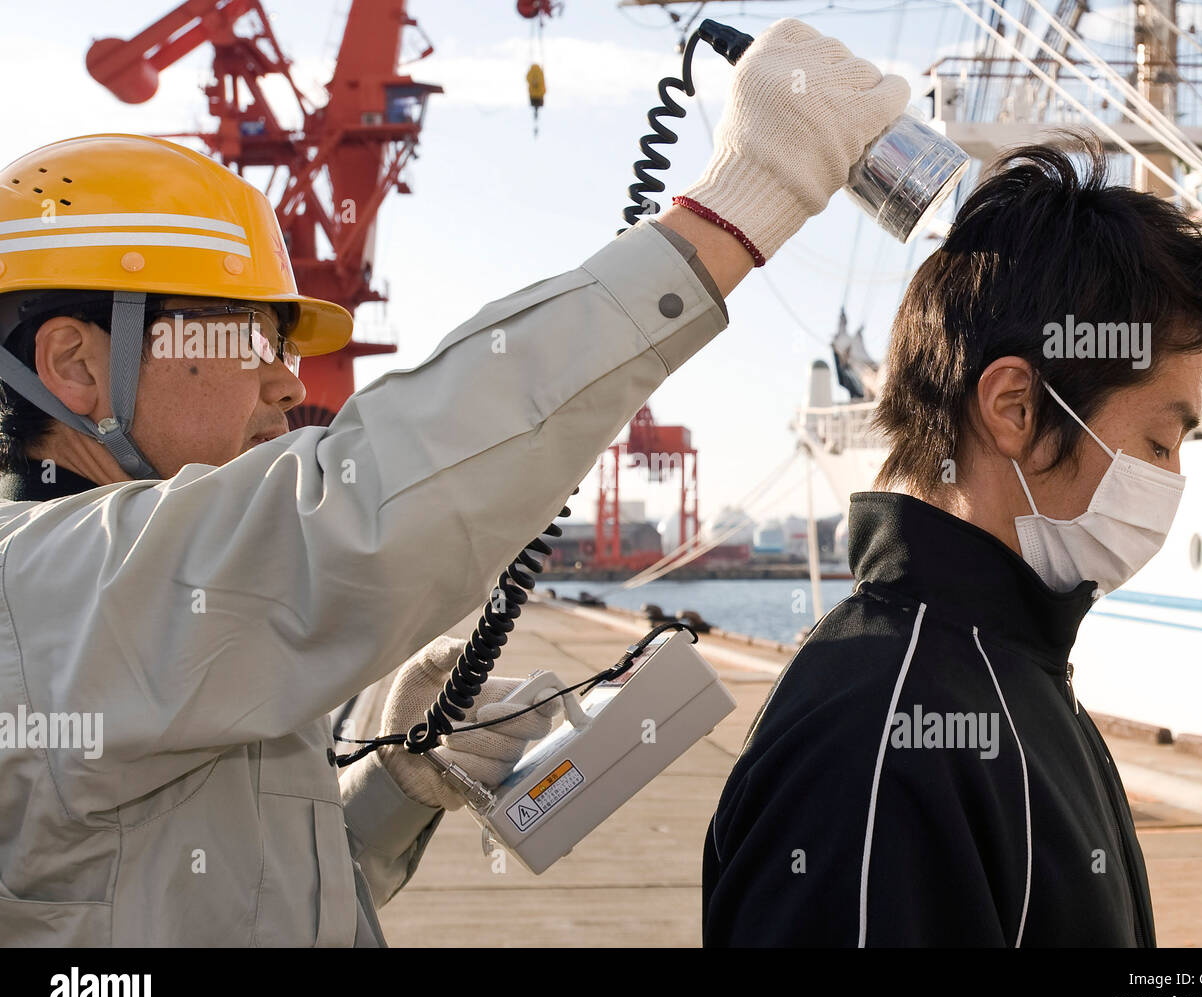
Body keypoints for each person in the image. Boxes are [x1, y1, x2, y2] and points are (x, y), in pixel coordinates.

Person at [0, 19, 910, 946]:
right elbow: (358, 511)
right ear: (75, 366)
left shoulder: (134, 627)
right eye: (248, 333)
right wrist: (733, 211)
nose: (283, 378)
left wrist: (396, 785)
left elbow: (233, 902)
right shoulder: (37, 588)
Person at [701, 136, 1202, 947]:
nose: (1174, 477)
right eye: (1158, 442)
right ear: (1015, 407)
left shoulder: (1006, 671)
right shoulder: (881, 740)